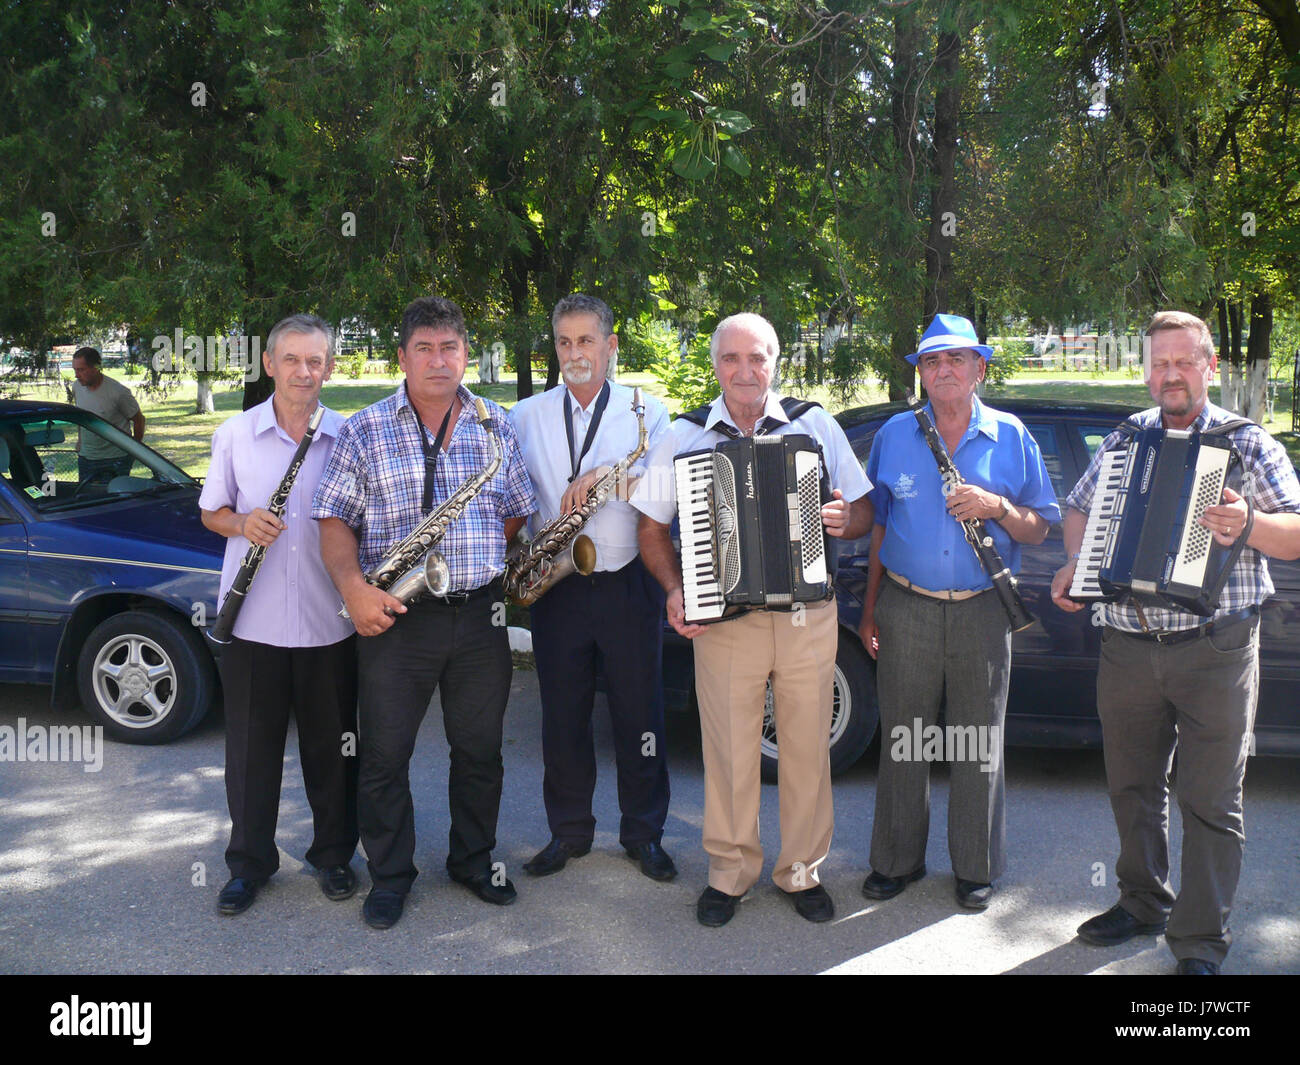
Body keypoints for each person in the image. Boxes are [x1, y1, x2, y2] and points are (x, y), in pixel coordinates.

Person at [1050, 310, 1300, 975]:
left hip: (1216, 648)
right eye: (1159, 363)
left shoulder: (1247, 443)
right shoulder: (1125, 438)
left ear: (1209, 366)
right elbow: (1077, 505)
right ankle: (1141, 900)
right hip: (1127, 644)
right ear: (1146, 370)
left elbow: (1297, 533)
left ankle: (1198, 943)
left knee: (1212, 800)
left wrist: (1249, 522)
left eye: (1183, 362)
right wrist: (1077, 560)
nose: (1170, 375)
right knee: (1132, 785)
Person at [634, 312, 873, 927]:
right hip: (725, 621)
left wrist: (849, 519)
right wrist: (674, 587)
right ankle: (730, 872)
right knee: (731, 750)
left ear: (775, 361)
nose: (744, 372)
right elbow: (652, 528)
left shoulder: (814, 424)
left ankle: (801, 870)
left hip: (806, 616)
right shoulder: (685, 436)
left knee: (805, 749)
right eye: (731, 359)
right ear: (715, 364)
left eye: (757, 358)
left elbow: (865, 507)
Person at [313, 295, 537, 930]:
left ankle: (473, 861)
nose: (439, 360)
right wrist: (355, 590)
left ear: (467, 352)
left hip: (480, 615)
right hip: (395, 616)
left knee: (480, 751)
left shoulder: (497, 424)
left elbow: (515, 509)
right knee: (384, 754)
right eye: (424, 348)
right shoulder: (365, 426)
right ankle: (391, 875)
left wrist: (478, 557)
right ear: (402, 356)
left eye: (450, 348)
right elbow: (334, 520)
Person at [857, 313, 1058, 910]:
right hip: (906, 605)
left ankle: (975, 867)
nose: (943, 369)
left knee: (977, 744)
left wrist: (997, 504)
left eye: (956, 359)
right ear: (921, 373)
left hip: (982, 612)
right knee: (904, 739)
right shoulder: (895, 434)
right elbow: (879, 526)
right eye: (931, 361)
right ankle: (897, 862)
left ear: (980, 368)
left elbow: (1040, 526)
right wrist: (869, 611)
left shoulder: (1012, 436)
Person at [508, 294, 675, 882]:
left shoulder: (648, 412)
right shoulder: (525, 415)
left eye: (586, 341)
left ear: (611, 345)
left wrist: (612, 474)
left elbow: (667, 488)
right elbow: (512, 495)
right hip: (557, 583)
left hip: (629, 581)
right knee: (563, 716)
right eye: (564, 342)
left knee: (641, 715)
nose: (575, 353)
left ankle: (644, 834)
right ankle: (569, 832)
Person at [199, 314, 359, 916]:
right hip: (252, 624)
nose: (303, 371)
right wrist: (242, 522)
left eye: (315, 360)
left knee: (335, 749)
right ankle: (249, 864)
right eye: (291, 359)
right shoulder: (235, 434)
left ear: (330, 367)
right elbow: (212, 510)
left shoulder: (349, 436)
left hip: (330, 623)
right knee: (250, 752)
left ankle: (335, 855)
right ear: (269, 364)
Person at [70, 346, 145, 482]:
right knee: (87, 500)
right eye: (75, 370)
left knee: (115, 502)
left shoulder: (118, 392)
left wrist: (134, 450)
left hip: (116, 459)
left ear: (95, 367)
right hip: (86, 458)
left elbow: (139, 420)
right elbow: (81, 417)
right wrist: (80, 442)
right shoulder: (76, 387)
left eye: (81, 370)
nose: (76, 375)